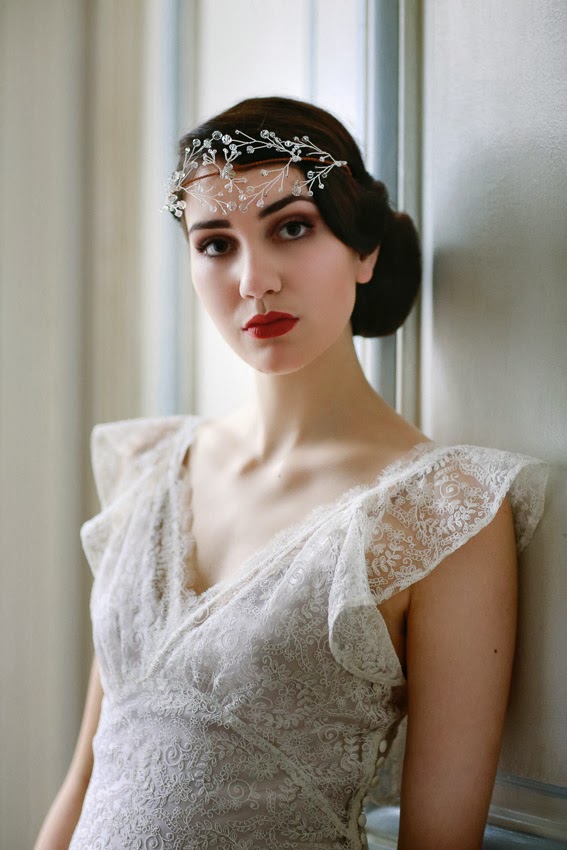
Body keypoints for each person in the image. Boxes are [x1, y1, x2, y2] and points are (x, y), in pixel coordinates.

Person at [34, 96, 548, 850]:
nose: (253, 281)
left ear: (363, 249)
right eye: (215, 244)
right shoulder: (150, 469)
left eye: (292, 227)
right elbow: (83, 780)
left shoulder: (444, 511)